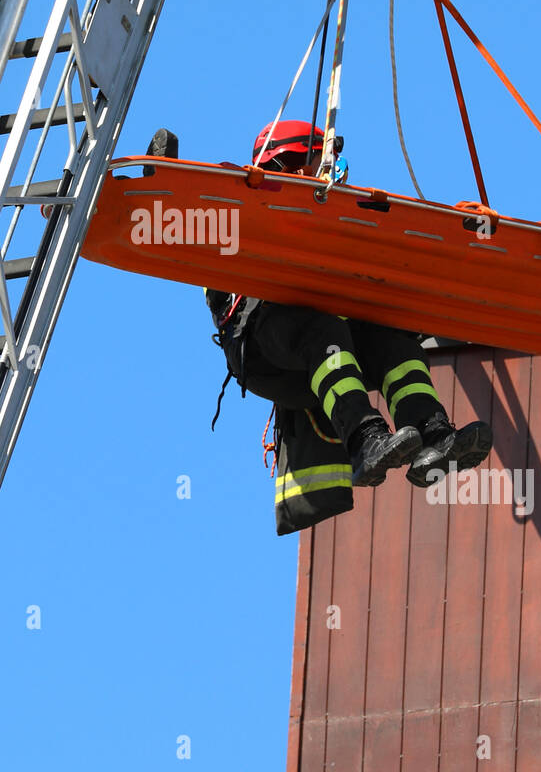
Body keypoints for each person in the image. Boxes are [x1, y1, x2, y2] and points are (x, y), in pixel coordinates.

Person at [205, 120, 493, 535]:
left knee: (395, 342)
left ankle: (434, 436)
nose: (325, 173)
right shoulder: (241, 205)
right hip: (265, 343)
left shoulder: (335, 212)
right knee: (323, 331)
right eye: (313, 164)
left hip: (327, 349)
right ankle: (365, 441)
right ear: (287, 164)